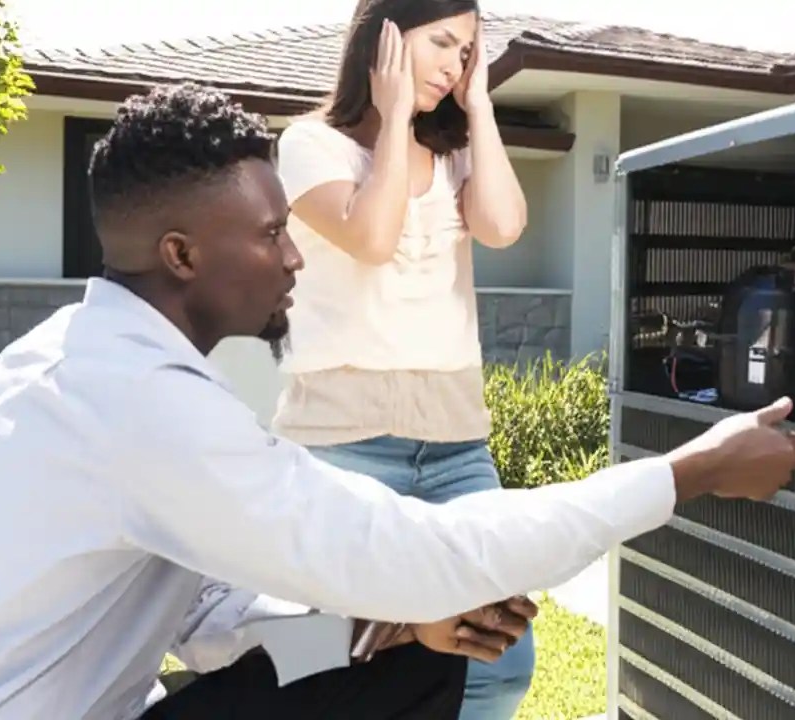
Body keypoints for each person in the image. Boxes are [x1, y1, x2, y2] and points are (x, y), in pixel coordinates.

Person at [0, 83, 795, 720]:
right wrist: (694, 470)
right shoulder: (128, 400)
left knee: (401, 662)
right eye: (273, 233)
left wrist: (387, 625)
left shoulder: (87, 360)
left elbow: (205, 620)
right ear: (181, 254)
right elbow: (425, 551)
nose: (295, 258)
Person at [268, 0, 536, 715]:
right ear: (383, 38)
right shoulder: (308, 144)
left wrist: (478, 108)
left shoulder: (453, 151)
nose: (455, 63)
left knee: (499, 660)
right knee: (327, 655)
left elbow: (504, 225)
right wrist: (391, 122)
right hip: (341, 444)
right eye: (442, 42)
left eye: (468, 50)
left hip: (455, 446)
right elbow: (373, 236)